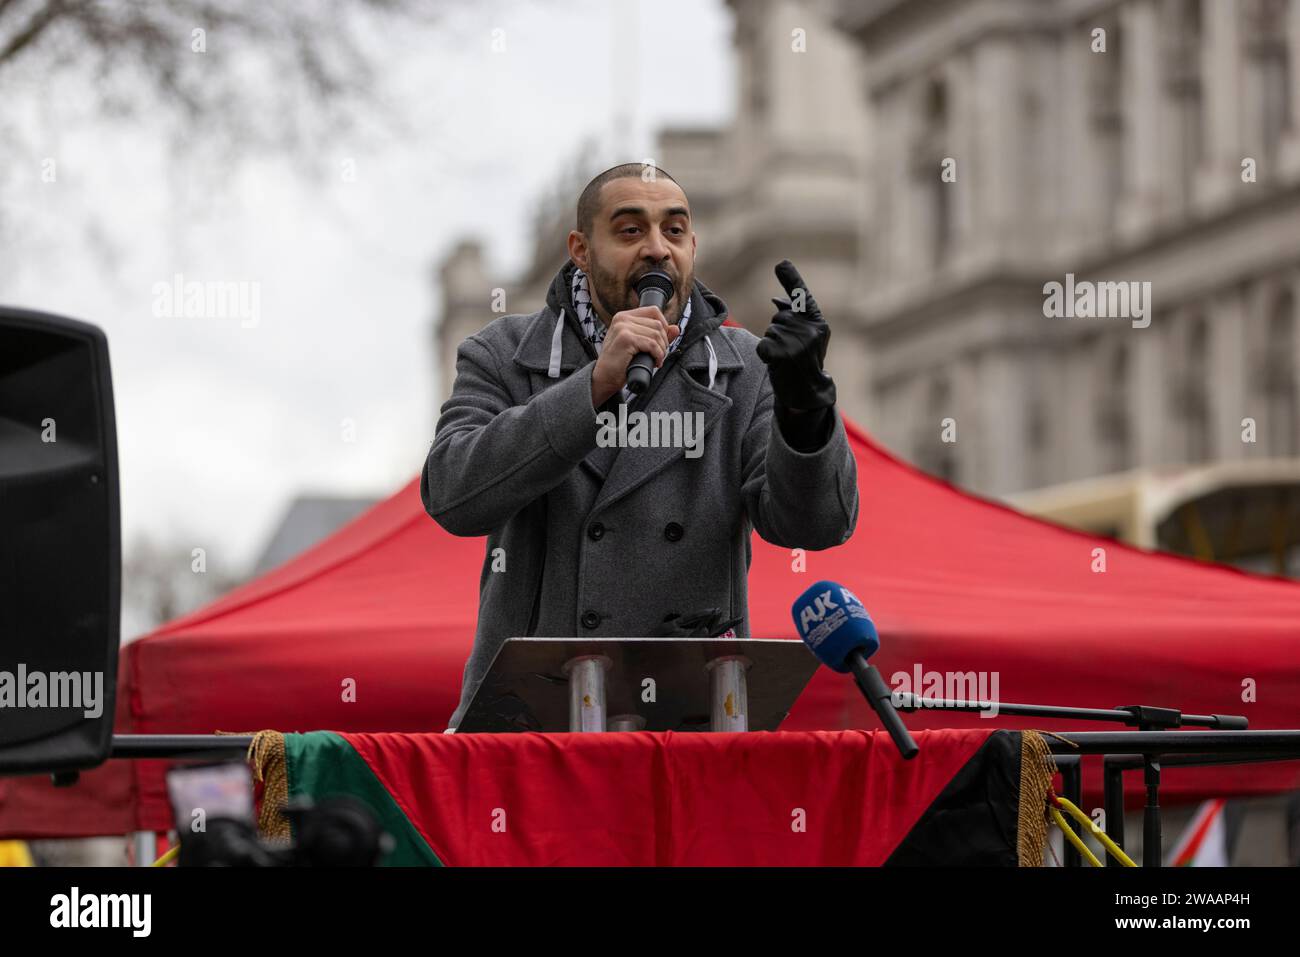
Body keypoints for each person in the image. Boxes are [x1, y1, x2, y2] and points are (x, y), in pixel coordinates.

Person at [422, 163, 859, 731]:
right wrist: (592, 389)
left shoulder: (746, 367)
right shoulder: (503, 354)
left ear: (693, 246)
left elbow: (815, 526)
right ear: (580, 249)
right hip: (535, 730)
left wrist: (806, 404)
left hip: (694, 724)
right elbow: (453, 494)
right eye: (630, 231)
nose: (657, 249)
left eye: (674, 231)